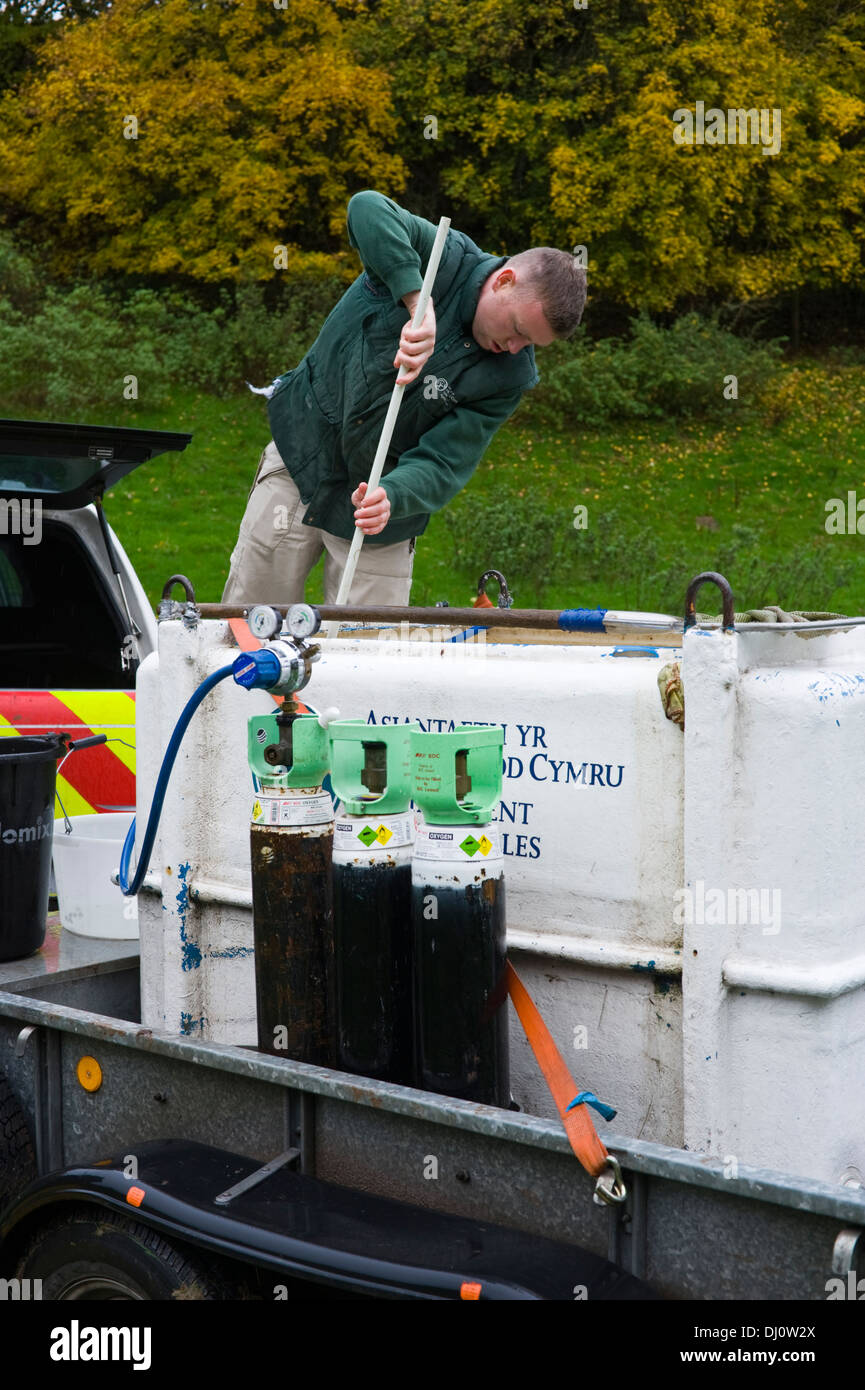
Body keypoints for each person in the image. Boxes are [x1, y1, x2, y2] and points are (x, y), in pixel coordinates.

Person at [221, 189, 586, 607]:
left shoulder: (511, 376)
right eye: (519, 330)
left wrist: (393, 494)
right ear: (504, 282)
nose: (517, 348)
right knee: (250, 628)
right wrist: (418, 299)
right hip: (302, 454)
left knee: (369, 654)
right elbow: (366, 207)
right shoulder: (440, 257)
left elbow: (445, 462)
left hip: (383, 515)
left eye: (531, 344)